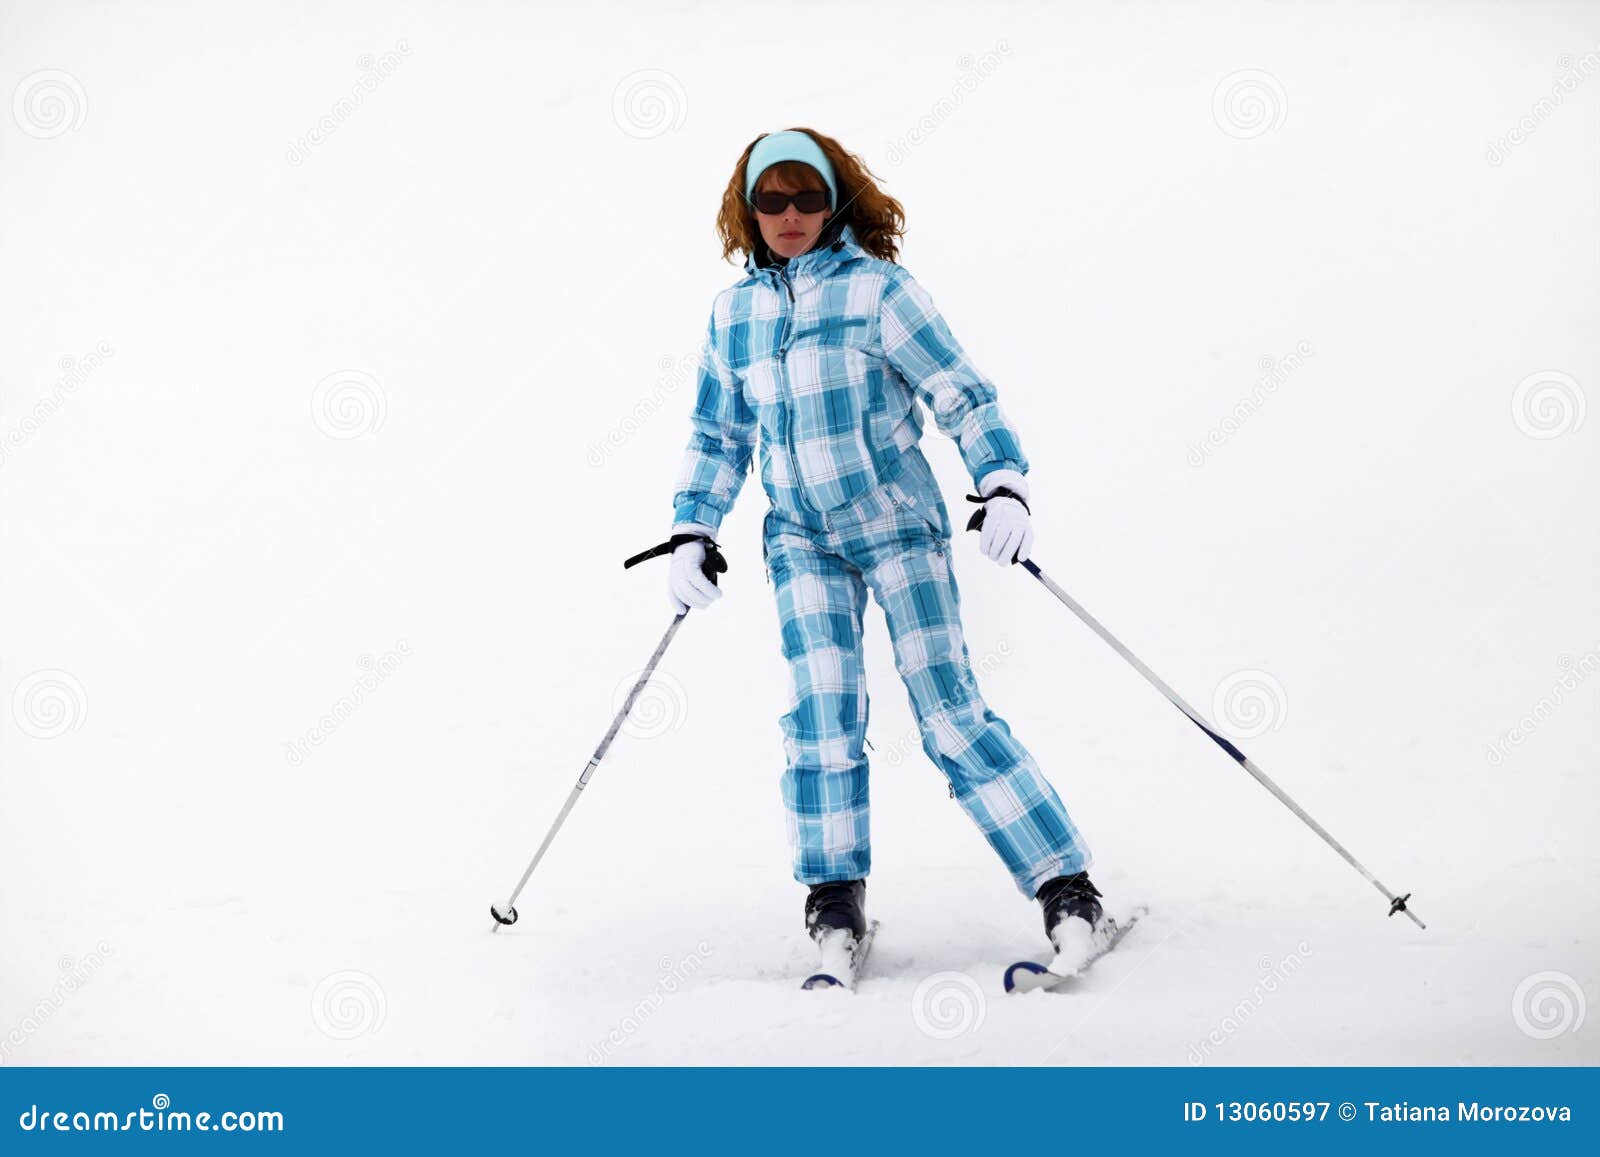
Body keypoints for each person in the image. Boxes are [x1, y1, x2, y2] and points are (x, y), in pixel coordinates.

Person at [665, 127, 1104, 959]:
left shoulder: (879, 292)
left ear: (835, 203)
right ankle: (834, 902)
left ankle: (1066, 886)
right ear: (747, 208)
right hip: (800, 537)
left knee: (947, 711)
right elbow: (719, 432)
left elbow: (959, 392)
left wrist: (1001, 479)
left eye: (808, 197)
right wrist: (694, 527)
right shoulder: (736, 313)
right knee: (822, 711)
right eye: (772, 199)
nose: (790, 214)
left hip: (897, 522)